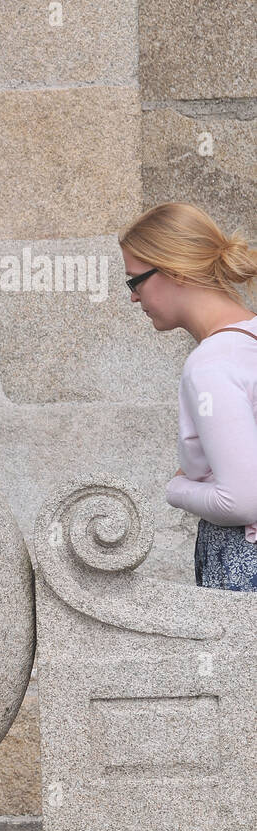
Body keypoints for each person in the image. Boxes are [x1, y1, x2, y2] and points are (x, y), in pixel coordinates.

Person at [120, 202, 257, 590]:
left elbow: (243, 500)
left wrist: (176, 489)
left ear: (174, 271)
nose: (133, 297)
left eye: (135, 282)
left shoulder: (210, 365)